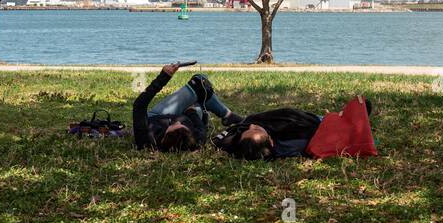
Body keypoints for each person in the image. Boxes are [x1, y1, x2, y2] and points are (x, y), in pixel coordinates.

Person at [214, 98, 372, 160]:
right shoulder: (292, 142)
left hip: (314, 120)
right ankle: (345, 118)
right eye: (257, 129)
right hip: (320, 124)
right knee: (363, 105)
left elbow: (219, 141)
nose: (252, 126)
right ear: (270, 141)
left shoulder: (237, 142)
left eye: (249, 130)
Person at [132, 63, 242, 151]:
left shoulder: (146, 138)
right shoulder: (195, 140)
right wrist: (191, 111)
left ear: (164, 137)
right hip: (191, 114)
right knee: (201, 85)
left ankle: (227, 115)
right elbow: (201, 130)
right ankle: (227, 115)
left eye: (175, 125)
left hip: (156, 116)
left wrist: (164, 76)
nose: (177, 122)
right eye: (182, 126)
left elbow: (139, 105)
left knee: (200, 84)